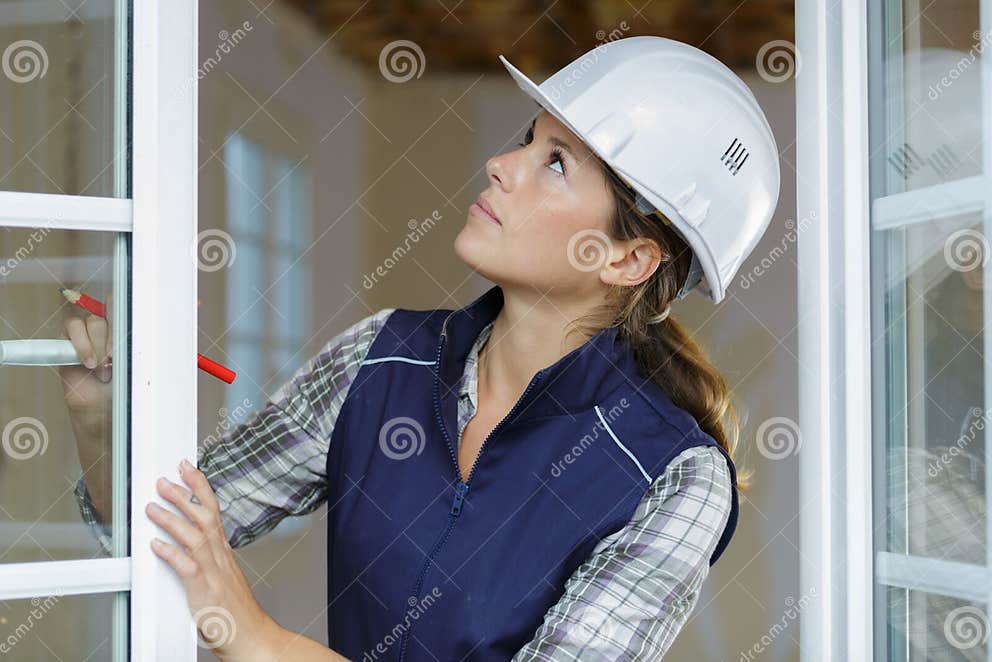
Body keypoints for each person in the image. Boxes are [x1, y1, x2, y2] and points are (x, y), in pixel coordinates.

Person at [62, 35, 780, 661]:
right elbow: (158, 539)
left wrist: (255, 638)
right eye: (529, 139)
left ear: (627, 260)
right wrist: (100, 416)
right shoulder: (379, 357)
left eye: (556, 163)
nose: (504, 163)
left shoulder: (675, 479)